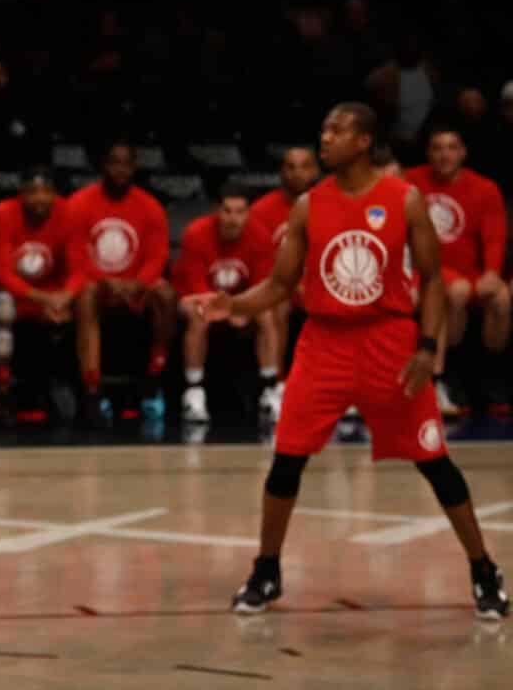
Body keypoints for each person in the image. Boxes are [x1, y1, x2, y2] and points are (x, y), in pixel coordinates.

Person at [188, 102, 509, 621]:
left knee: (434, 462)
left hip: (389, 342)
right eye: (323, 130)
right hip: (325, 343)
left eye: (336, 131)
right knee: (286, 461)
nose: (325, 139)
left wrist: (428, 348)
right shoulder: (308, 206)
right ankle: (266, 569)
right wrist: (234, 305)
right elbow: (281, 284)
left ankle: (484, 569)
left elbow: (432, 280)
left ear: (363, 141)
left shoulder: (404, 200)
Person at [66, 140, 175, 427]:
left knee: (164, 292)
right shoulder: (79, 203)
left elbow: (158, 255)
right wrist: (106, 282)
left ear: (134, 167)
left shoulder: (150, 206)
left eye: (126, 164)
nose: (120, 170)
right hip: (97, 287)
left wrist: (137, 284)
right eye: (114, 163)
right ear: (103, 165)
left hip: (136, 289)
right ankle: (92, 389)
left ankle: (154, 377)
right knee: (86, 293)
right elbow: (76, 256)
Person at [405, 122, 510, 416]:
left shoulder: (484, 188)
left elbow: (494, 237)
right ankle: (447, 374)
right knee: (454, 291)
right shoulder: (410, 181)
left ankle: (493, 376)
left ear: (463, 153)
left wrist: (492, 272)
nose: (445, 155)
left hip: (468, 273)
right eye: (437, 148)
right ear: (428, 153)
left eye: (452, 148)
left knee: (502, 297)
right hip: (426, 272)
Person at [174, 183, 277, 424]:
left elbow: (261, 287)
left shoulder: (261, 235)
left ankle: (269, 388)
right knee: (198, 314)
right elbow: (197, 288)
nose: (233, 219)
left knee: (266, 313)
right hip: (196, 298)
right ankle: (194, 391)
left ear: (248, 213)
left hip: (238, 300)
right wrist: (230, 308)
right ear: (216, 211)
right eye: (227, 211)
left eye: (240, 212)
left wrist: (241, 308)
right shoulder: (196, 233)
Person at [0, 167, 79, 420]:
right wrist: (43, 299)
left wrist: (65, 297)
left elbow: (79, 268)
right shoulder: (4, 212)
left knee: (83, 300)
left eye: (45, 192)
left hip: (52, 292)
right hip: (14, 291)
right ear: (21, 194)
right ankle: (1, 386)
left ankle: (71, 385)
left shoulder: (69, 212)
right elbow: (3, 273)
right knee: (3, 304)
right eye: (32, 192)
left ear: (54, 194)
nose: (39, 198)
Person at [248, 145, 319, 386]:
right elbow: (258, 261)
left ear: (315, 171)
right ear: (281, 172)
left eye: (304, 166)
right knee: (278, 303)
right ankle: (277, 383)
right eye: (291, 167)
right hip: (281, 286)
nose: (297, 173)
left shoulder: (329, 204)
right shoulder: (261, 211)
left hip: (319, 286)